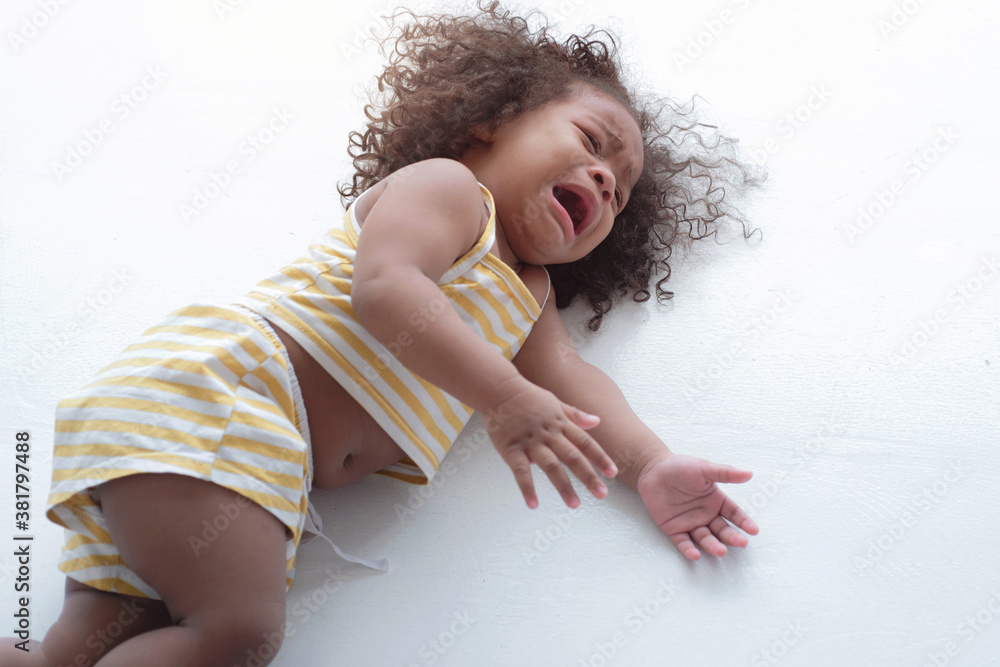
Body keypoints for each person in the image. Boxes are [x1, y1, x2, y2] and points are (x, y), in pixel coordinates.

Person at [3, 2, 760, 665]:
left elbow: (572, 378)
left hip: (249, 469)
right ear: (486, 123)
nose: (603, 181)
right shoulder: (452, 191)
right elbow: (386, 289)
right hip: (223, 399)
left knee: (78, 653)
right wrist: (501, 396)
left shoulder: (526, 295)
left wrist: (651, 462)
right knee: (238, 634)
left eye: (620, 194)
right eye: (593, 143)